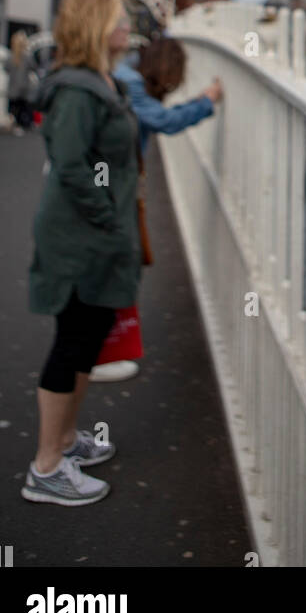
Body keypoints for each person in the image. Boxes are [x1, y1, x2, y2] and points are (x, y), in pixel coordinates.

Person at [22, 0, 137, 507]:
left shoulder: (102, 81)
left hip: (96, 232)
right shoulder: (77, 90)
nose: (128, 28)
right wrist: (108, 216)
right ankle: (45, 467)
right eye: (119, 19)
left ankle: (66, 441)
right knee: (72, 339)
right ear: (97, 26)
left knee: (89, 333)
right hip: (78, 235)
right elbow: (71, 165)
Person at [88, 38, 221, 383]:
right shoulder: (131, 84)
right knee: (112, 266)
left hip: (107, 185)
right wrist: (206, 101)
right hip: (111, 190)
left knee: (110, 265)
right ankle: (98, 354)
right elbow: (165, 120)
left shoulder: (124, 73)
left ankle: (102, 349)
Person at [4, 29, 36, 135]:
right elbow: (33, 67)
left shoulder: (10, 57)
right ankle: (22, 124)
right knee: (23, 108)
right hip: (24, 88)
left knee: (14, 107)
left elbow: (6, 69)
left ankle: (15, 123)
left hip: (13, 87)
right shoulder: (27, 57)